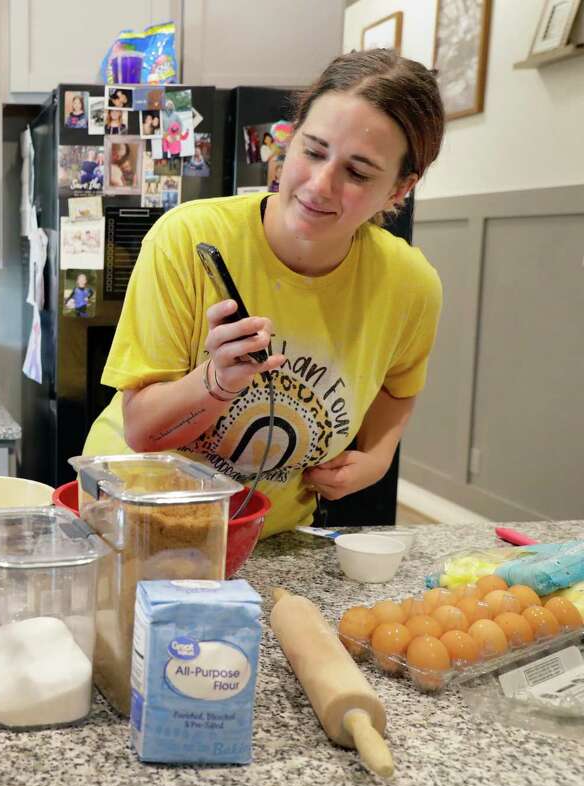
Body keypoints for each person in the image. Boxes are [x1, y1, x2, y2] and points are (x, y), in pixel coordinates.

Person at [82, 49, 445, 537]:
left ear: (400, 189)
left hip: (270, 535)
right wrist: (216, 381)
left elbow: (400, 388)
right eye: (312, 151)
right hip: (133, 522)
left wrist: (376, 459)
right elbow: (142, 431)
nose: (320, 186)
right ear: (289, 139)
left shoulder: (409, 286)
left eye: (357, 173)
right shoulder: (187, 238)